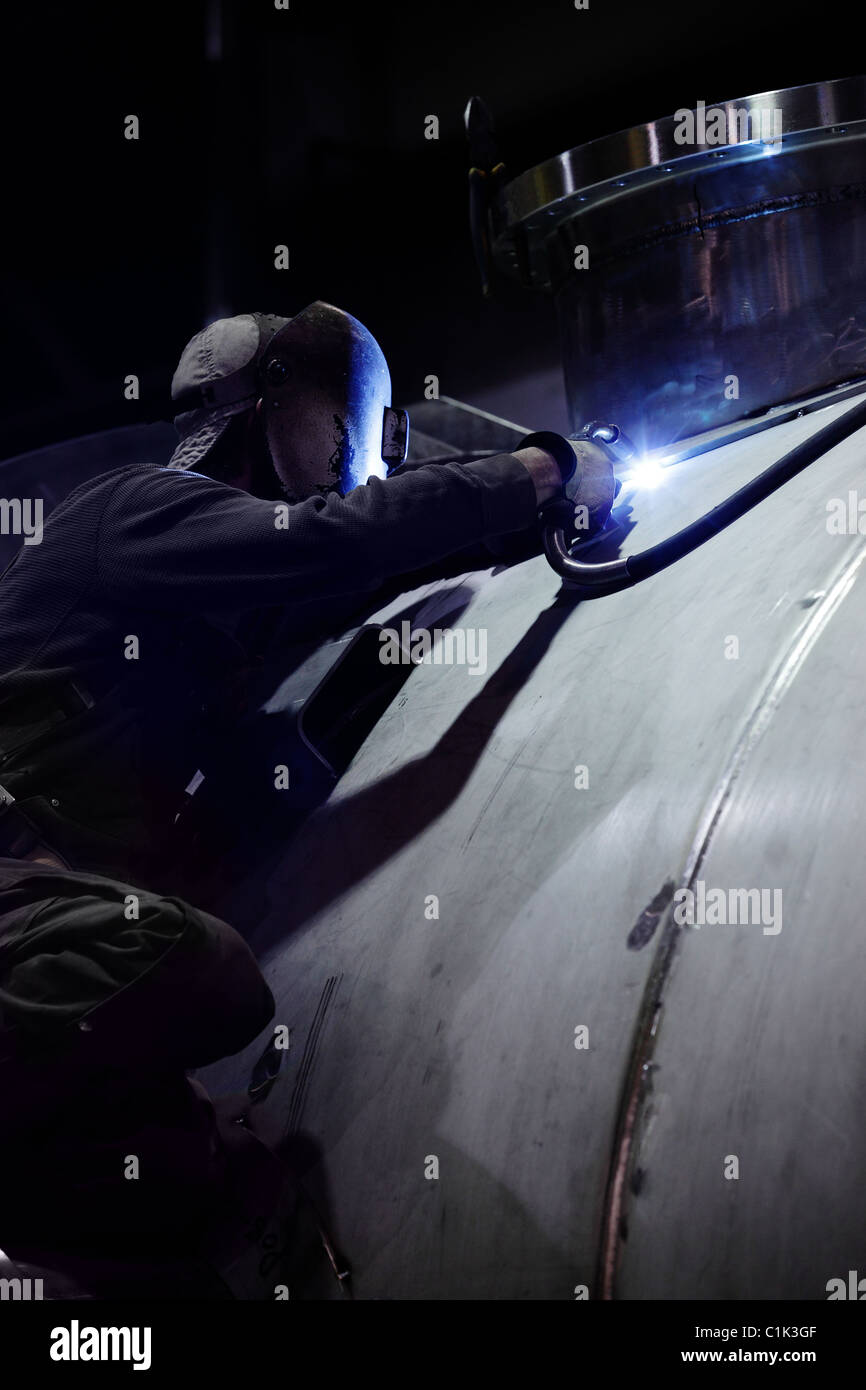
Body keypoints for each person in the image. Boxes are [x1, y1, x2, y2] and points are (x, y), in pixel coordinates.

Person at [0, 300, 576, 1292]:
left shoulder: (210, 578)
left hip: (45, 897)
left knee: (174, 1152)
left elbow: (368, 553)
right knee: (192, 963)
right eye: (354, 416)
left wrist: (520, 517)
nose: (371, 456)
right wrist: (541, 469)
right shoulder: (132, 509)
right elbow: (340, 541)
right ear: (278, 404)